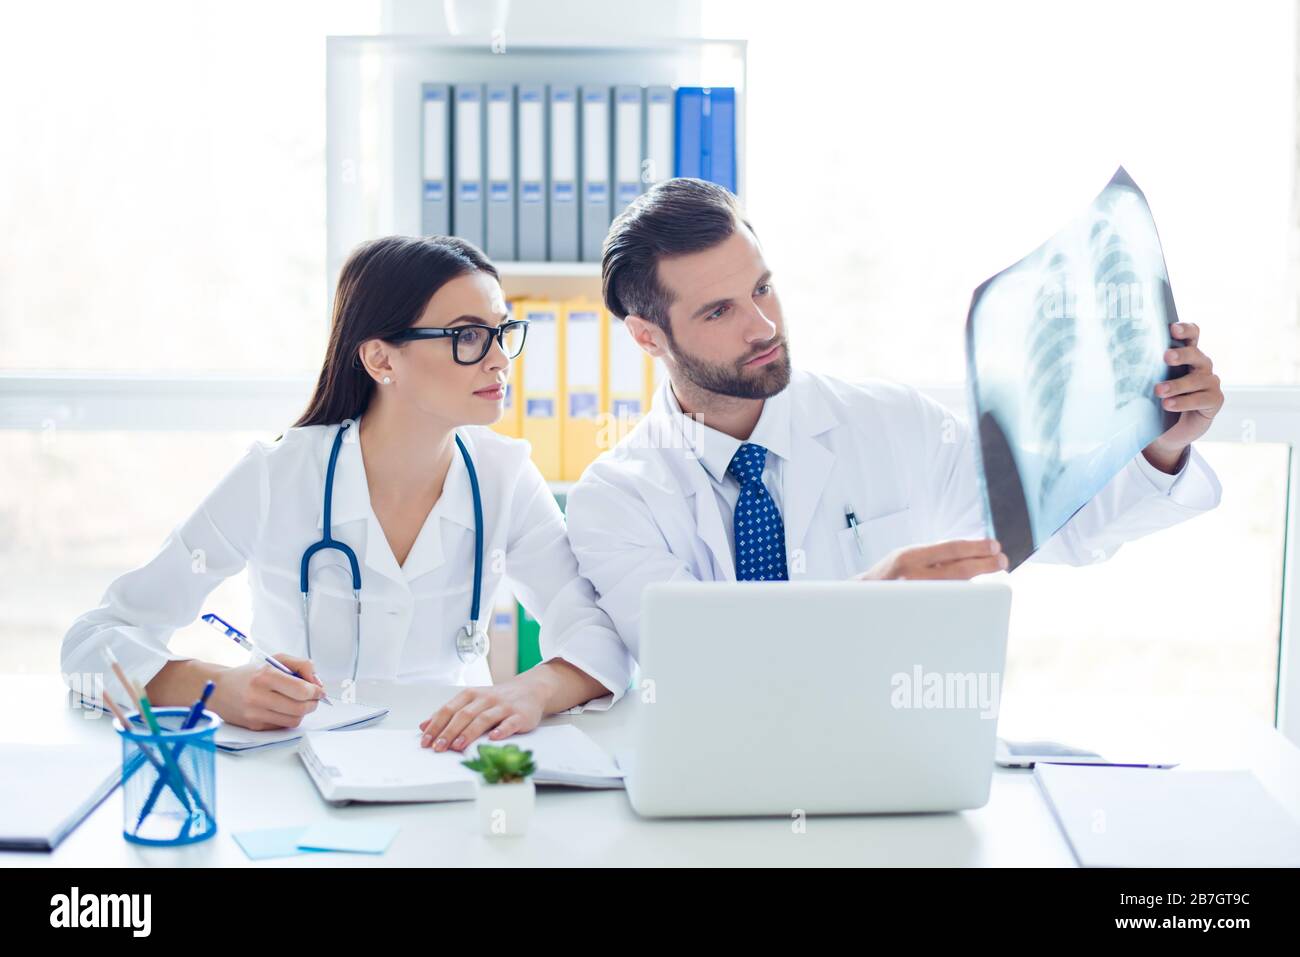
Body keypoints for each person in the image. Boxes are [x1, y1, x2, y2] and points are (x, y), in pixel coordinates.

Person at [566, 178, 1224, 657]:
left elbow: (1062, 531)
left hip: (890, 762)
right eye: (719, 311)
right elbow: (694, 659)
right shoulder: (615, 497)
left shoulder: (894, 424)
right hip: (713, 782)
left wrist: (1161, 444)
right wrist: (863, 598)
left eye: (763, 287)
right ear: (649, 337)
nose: (763, 325)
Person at [63, 236, 633, 751]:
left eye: (502, 332)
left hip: (449, 766)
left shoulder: (504, 476)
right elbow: (91, 644)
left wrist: (532, 690)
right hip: (295, 766)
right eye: (467, 336)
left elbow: (599, 637)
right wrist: (215, 688)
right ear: (381, 358)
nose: (497, 358)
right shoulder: (276, 475)